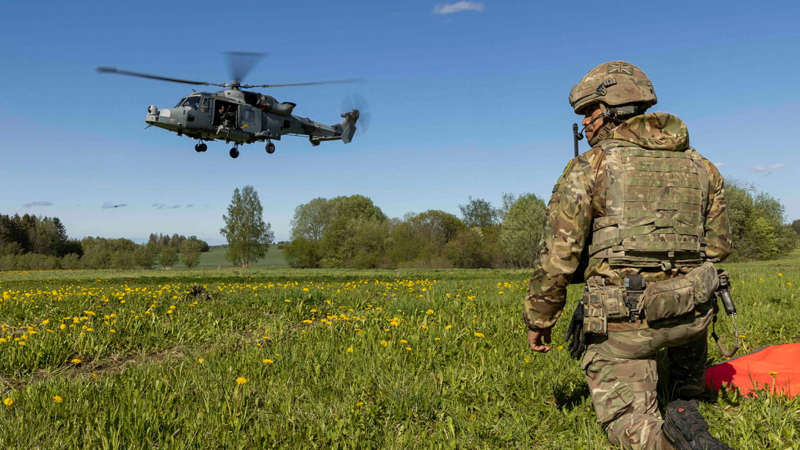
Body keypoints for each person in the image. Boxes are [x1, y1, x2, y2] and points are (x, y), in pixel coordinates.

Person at [523, 61, 733, 450]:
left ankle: (673, 442)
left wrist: (540, 318)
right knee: (686, 341)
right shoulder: (703, 167)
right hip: (691, 317)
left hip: (626, 326)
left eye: (590, 111)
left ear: (613, 110)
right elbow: (718, 248)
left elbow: (558, 257)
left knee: (633, 426)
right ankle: (687, 394)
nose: (585, 122)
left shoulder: (591, 166)